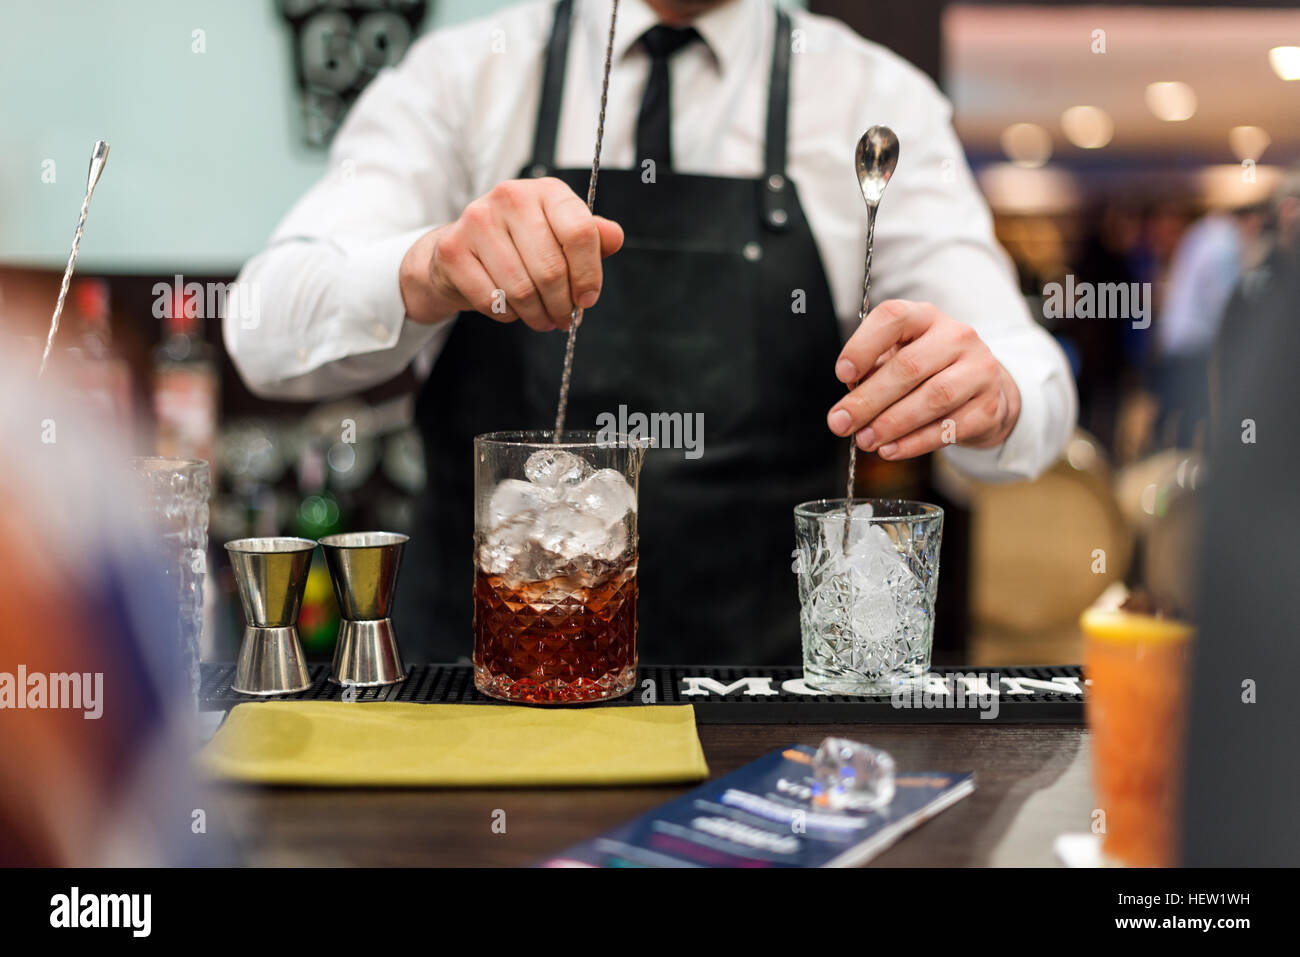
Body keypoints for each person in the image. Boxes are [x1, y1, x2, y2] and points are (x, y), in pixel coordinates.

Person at [225, 0, 1075, 664]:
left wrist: (989, 392)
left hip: (760, 704)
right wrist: (427, 269)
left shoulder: (871, 100)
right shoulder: (464, 77)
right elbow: (263, 327)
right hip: (483, 696)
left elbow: (1028, 371)